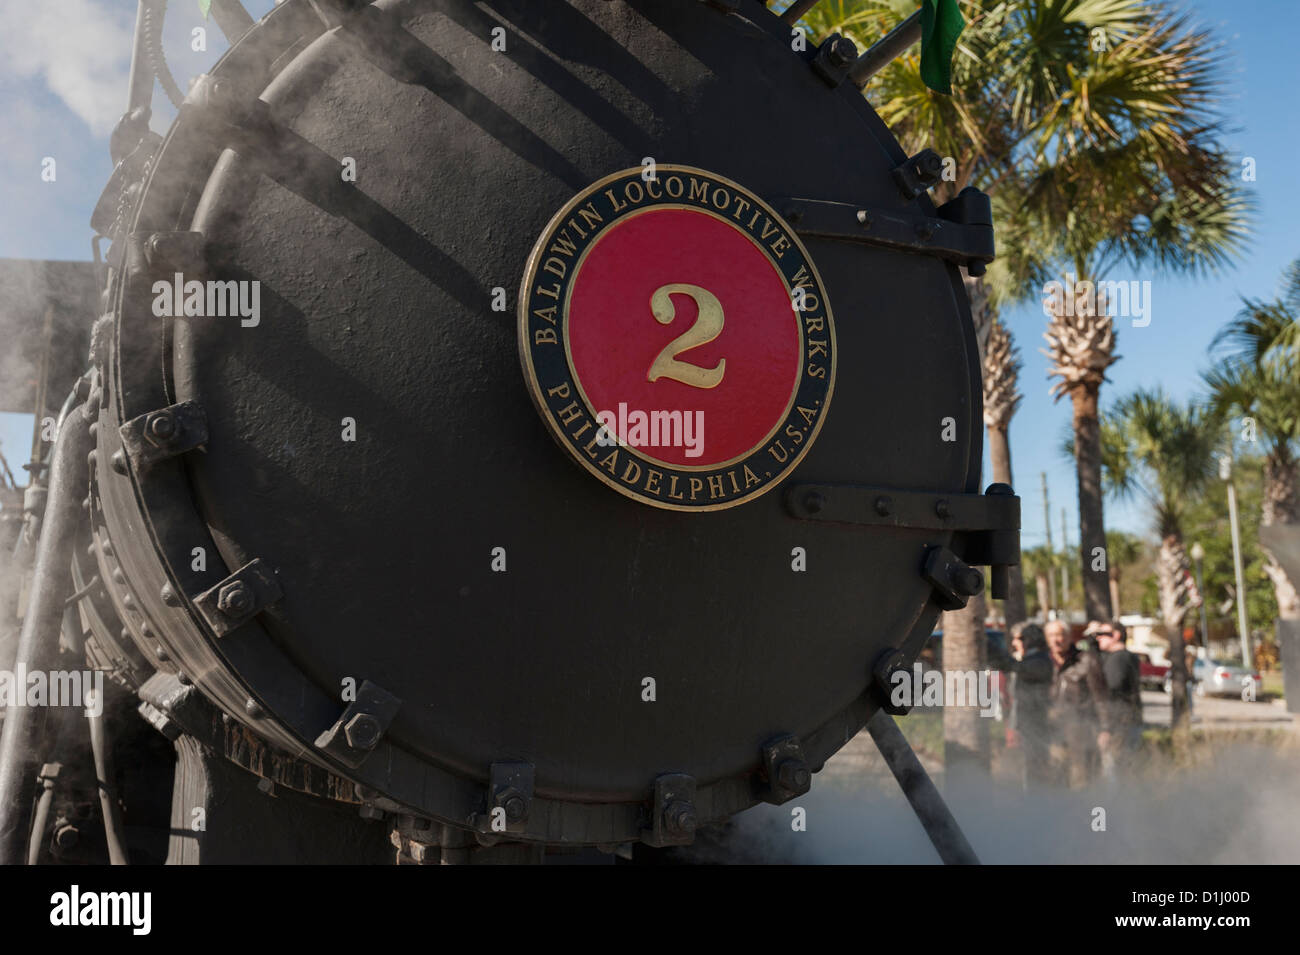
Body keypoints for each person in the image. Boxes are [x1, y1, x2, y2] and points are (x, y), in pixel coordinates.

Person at [1046, 619, 1108, 788]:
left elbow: (1100, 697)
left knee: (1081, 781)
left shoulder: (1086, 660)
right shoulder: (1046, 663)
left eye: (1060, 635)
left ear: (1069, 637)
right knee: (1056, 780)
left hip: (1082, 731)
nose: (1056, 639)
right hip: (1054, 731)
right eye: (1051, 635)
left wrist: (1105, 728)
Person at [1003, 622, 1055, 789]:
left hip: (1036, 725)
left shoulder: (1038, 661)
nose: (1014, 643)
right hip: (1024, 725)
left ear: (1030, 639)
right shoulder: (1029, 659)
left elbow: (1018, 669)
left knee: (1035, 773)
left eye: (1018, 639)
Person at [1095, 620, 1142, 778]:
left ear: (1116, 635)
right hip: (1128, 722)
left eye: (1102, 634)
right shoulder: (1128, 657)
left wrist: (1107, 729)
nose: (1098, 638)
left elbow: (1110, 691)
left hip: (1119, 725)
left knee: (1115, 774)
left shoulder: (1118, 659)